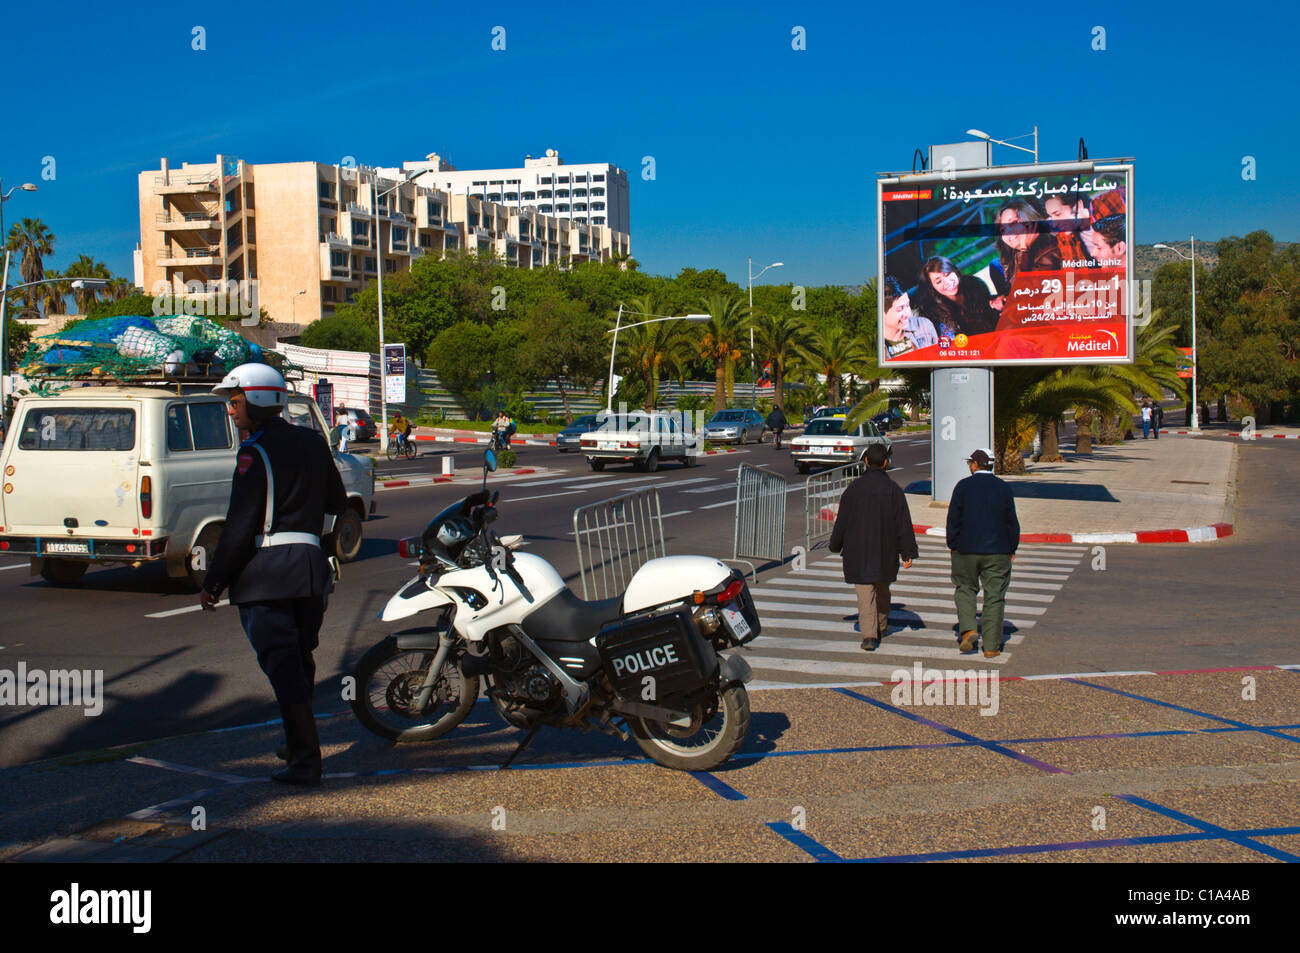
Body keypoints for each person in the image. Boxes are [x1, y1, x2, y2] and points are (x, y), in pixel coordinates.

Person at [201, 363, 348, 785]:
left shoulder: (254, 453)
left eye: (235, 401)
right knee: (299, 661)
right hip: (309, 569)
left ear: (257, 399)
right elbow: (338, 501)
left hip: (267, 573)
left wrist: (214, 583)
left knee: (283, 666)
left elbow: (239, 528)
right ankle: (296, 741)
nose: (231, 411)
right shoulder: (312, 442)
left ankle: (305, 760)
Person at [828, 443, 918, 652]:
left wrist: (835, 544)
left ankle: (869, 635)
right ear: (885, 462)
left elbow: (842, 521)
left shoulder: (854, 489)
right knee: (882, 590)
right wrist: (907, 551)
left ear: (866, 461)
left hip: (858, 552)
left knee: (865, 593)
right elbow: (902, 523)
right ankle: (880, 627)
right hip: (885, 551)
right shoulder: (893, 490)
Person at [946, 449, 1019, 659]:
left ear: (976, 464)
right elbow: (1011, 521)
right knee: (995, 596)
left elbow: (953, 519)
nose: (970, 465)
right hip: (997, 551)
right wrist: (1011, 547)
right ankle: (991, 646)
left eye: (970, 462)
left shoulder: (962, 486)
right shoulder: (1003, 488)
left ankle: (969, 629)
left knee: (965, 589)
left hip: (965, 550)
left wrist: (953, 544)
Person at [911, 256, 999, 339]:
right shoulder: (934, 312)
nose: (947, 282)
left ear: (954, 270)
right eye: (938, 281)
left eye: (948, 274)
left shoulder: (974, 284)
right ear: (932, 287)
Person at [881, 276, 939, 358]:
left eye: (907, 305)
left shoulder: (924, 326)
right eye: (900, 309)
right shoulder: (872, 344)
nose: (908, 314)